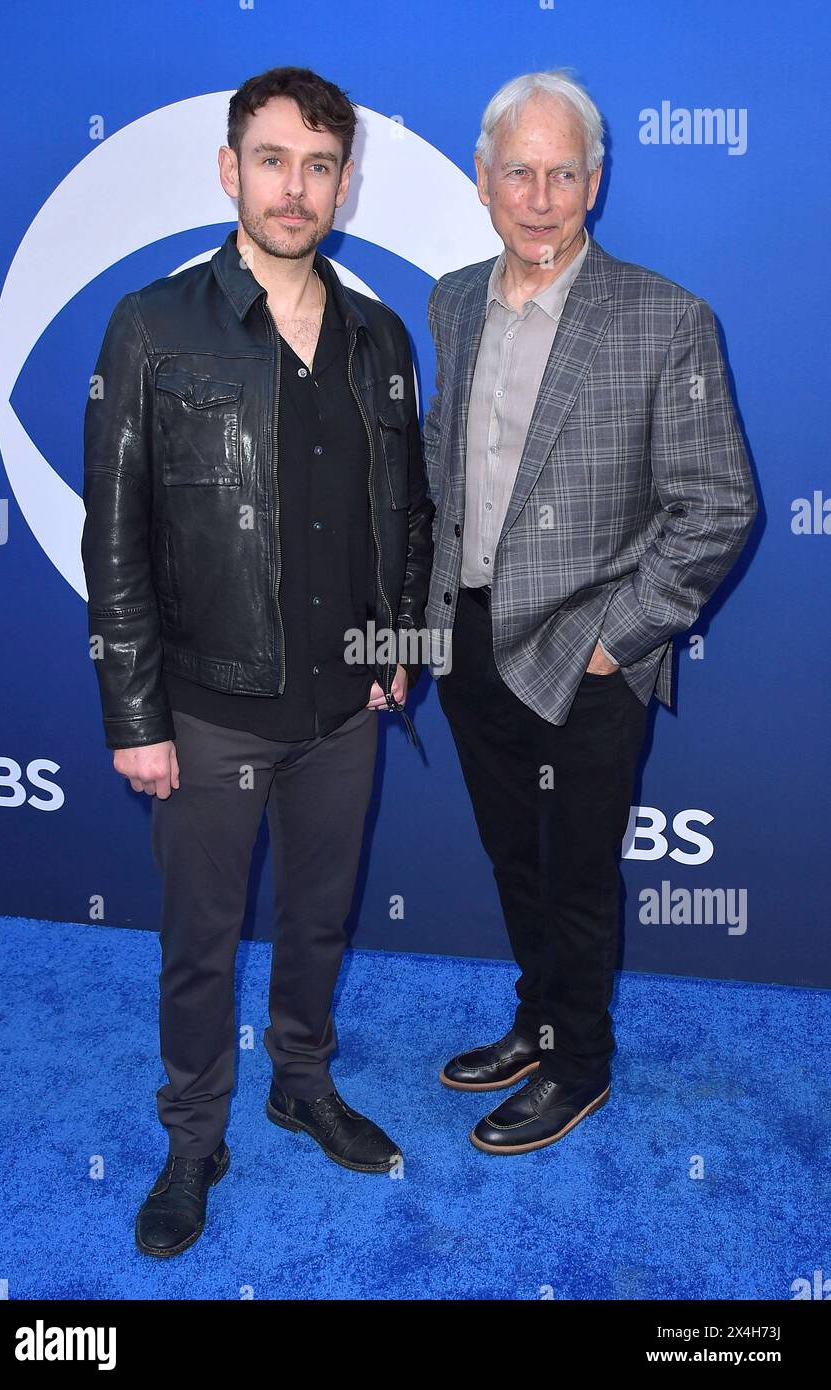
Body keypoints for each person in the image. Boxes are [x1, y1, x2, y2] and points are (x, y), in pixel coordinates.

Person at [81, 65, 433, 1256]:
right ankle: (192, 1138)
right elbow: (114, 535)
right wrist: (136, 710)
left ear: (344, 182)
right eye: (273, 160)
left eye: (319, 165)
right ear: (230, 171)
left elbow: (411, 512)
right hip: (208, 710)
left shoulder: (379, 334)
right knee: (200, 940)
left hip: (345, 704)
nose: (296, 187)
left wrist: (399, 649)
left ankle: (301, 1081)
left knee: (319, 920)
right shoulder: (151, 325)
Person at [423, 69, 757, 1155]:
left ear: (594, 183)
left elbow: (718, 505)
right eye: (516, 170)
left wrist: (620, 639)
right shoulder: (450, 299)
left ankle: (579, 1064)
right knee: (513, 858)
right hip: (466, 639)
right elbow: (443, 471)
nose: (537, 195)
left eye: (560, 172)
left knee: (573, 872)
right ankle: (537, 1018)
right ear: (481, 180)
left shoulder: (665, 318)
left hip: (586, 657)